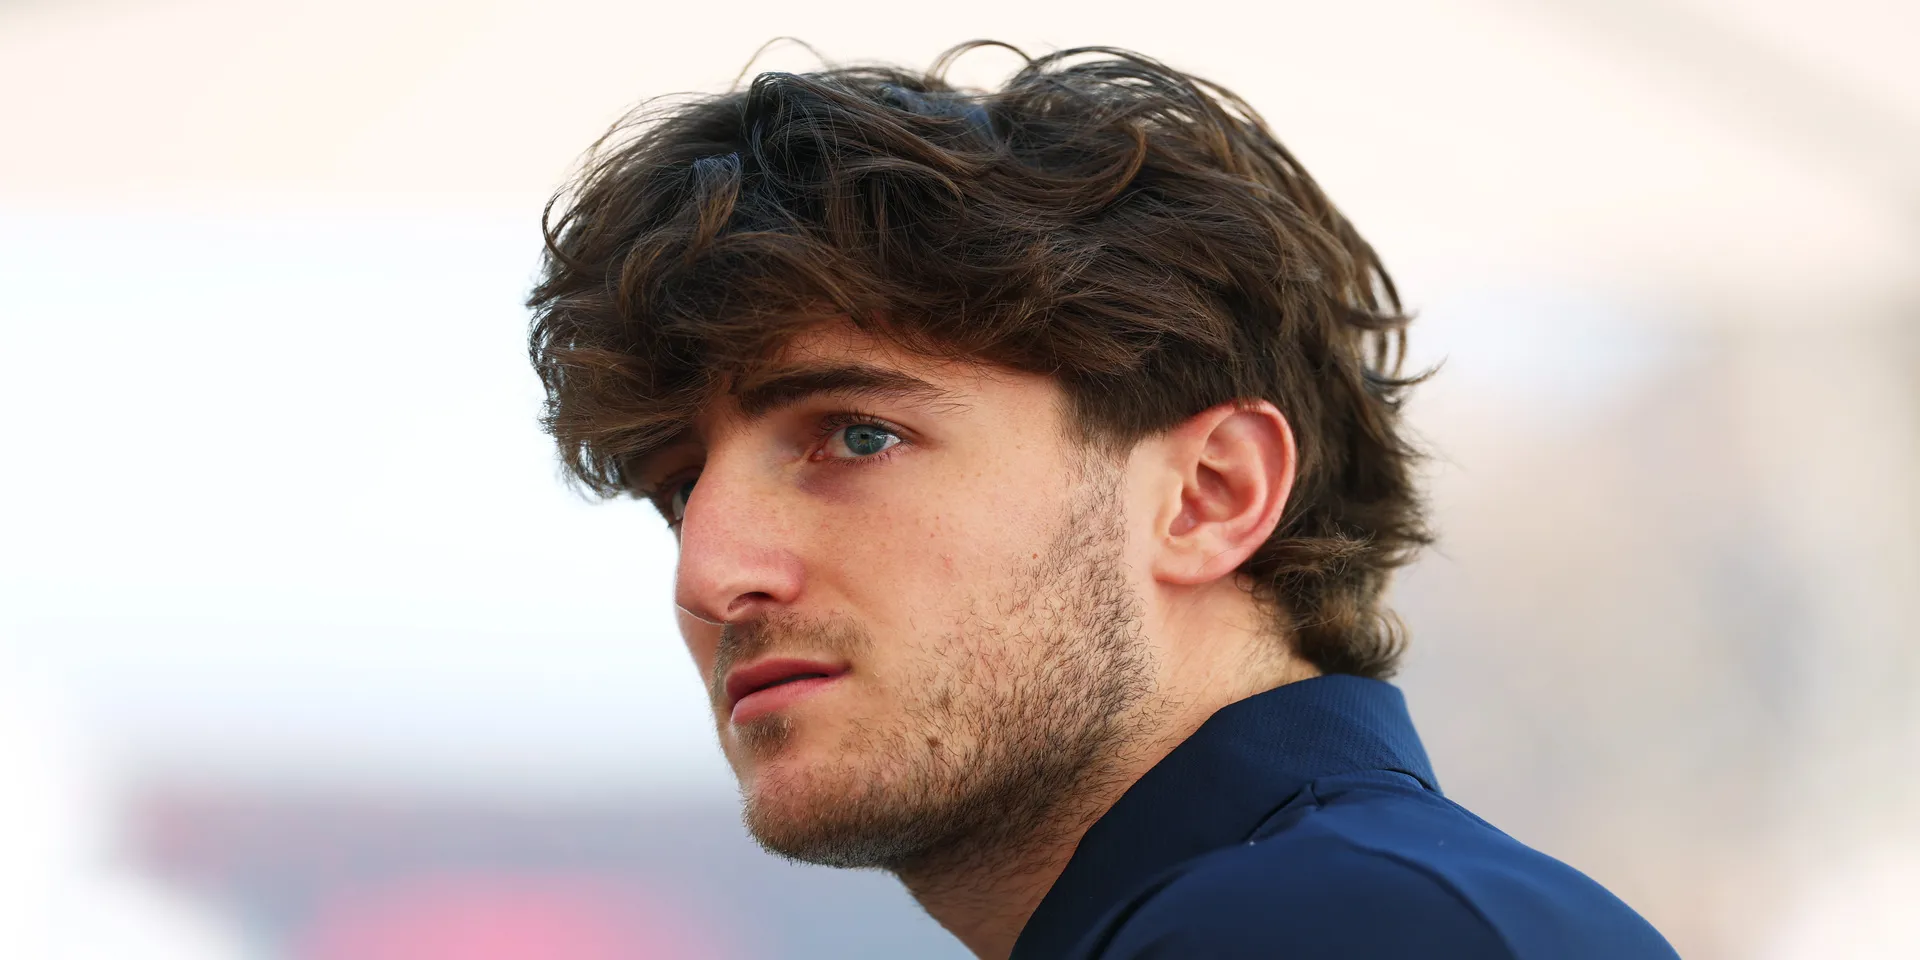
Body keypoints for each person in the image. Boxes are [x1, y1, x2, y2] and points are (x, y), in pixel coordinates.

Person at [526, 42, 1680, 960]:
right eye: (680, 489)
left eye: (859, 435)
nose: (710, 574)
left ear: (1209, 495)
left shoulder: (1342, 927)